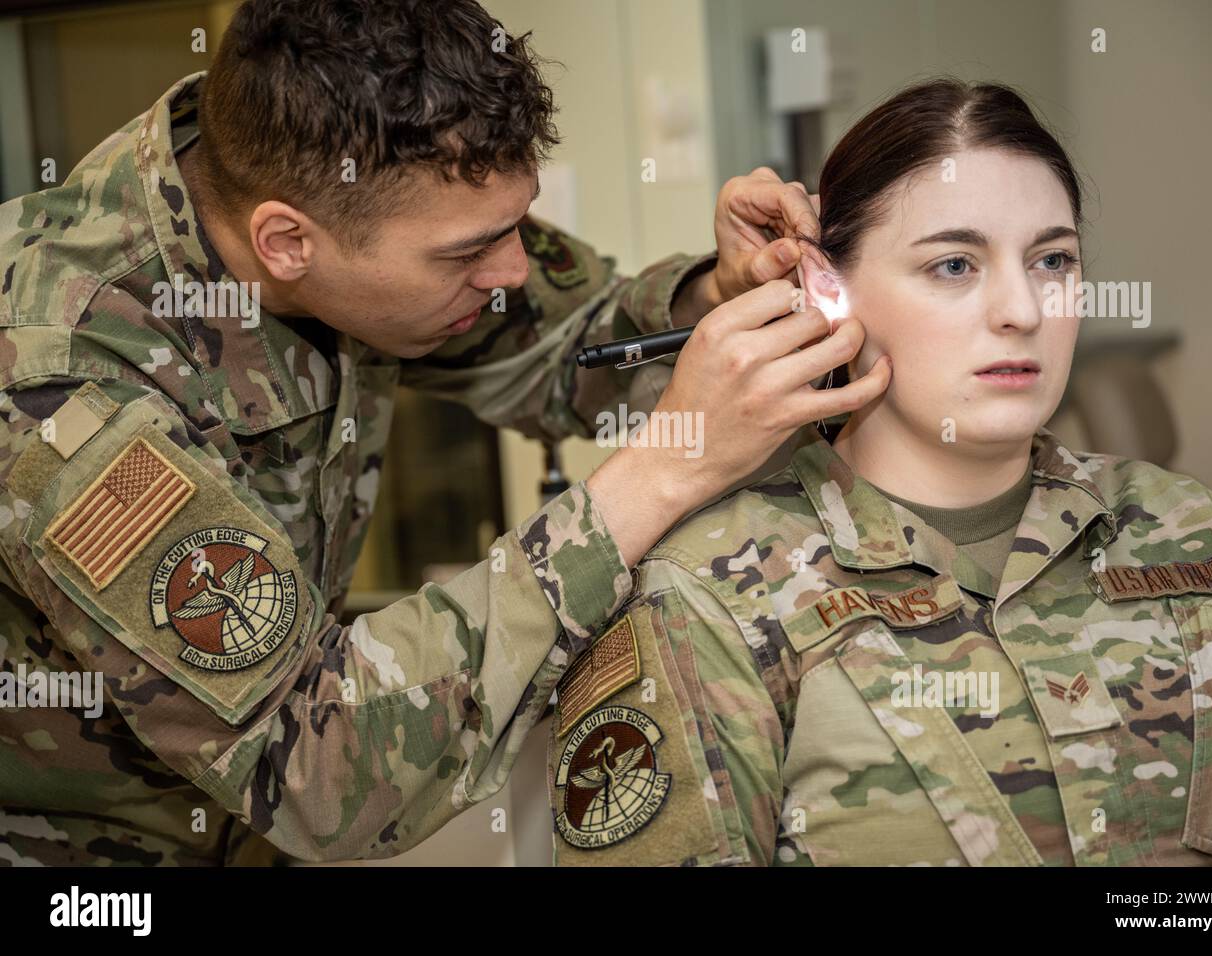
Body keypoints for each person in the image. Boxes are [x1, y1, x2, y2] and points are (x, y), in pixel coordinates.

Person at [0, 0, 889, 866]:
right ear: (285, 244)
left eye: (513, 225)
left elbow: (571, 345)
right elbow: (312, 764)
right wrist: (662, 471)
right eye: (468, 254)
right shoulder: (64, 387)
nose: (507, 272)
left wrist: (714, 298)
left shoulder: (336, 176)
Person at [544, 77, 1212, 866]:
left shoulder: (1204, 540)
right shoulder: (711, 599)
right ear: (825, 292)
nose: (1023, 310)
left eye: (1052, 259)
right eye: (953, 266)